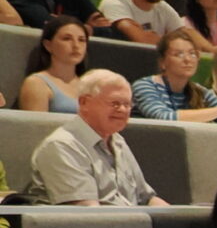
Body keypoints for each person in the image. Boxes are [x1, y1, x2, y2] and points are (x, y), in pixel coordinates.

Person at [29, 70, 167, 206]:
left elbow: (147, 199)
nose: (123, 110)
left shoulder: (117, 141)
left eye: (127, 104)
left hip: (133, 224)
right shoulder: (62, 146)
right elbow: (88, 214)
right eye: (115, 103)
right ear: (84, 103)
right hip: (94, 227)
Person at [133, 28, 217, 124]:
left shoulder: (200, 91)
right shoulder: (144, 85)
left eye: (192, 54)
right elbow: (164, 118)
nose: (187, 59)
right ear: (163, 62)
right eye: (179, 54)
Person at [15, 15, 88, 114]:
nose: (76, 45)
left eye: (81, 40)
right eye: (67, 39)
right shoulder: (36, 83)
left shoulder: (88, 84)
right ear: (48, 45)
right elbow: (34, 127)